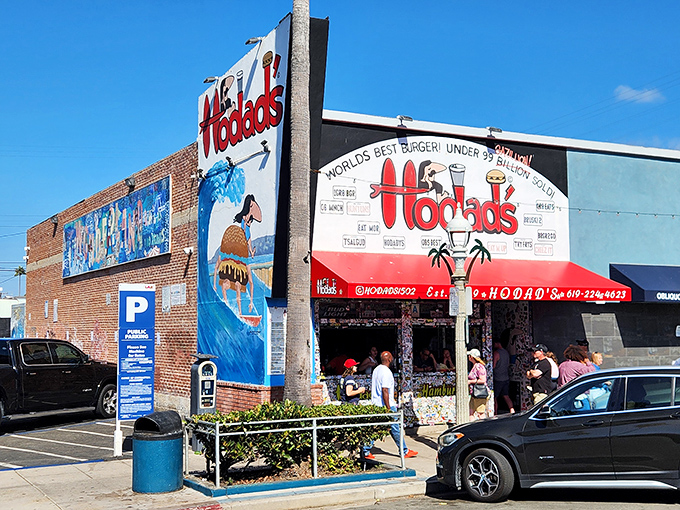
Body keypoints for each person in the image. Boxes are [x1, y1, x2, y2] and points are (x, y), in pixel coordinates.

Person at [367, 351, 417, 459]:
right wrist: (388, 408)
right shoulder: (386, 372)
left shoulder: (377, 369)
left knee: (376, 428)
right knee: (395, 428)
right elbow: (385, 390)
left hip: (376, 404)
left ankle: (366, 451)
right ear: (389, 359)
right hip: (386, 405)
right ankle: (404, 451)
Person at [493, 339, 515, 414]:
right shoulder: (506, 352)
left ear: (497, 343)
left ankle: (495, 412)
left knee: (494, 397)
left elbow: (493, 366)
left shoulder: (496, 353)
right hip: (506, 377)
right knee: (506, 395)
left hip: (497, 378)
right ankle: (512, 410)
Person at [467, 349, 489, 420]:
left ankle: (483, 428)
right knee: (470, 412)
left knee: (480, 414)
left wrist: (470, 382)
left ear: (472, 357)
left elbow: (482, 380)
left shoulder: (479, 366)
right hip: (474, 393)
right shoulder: (475, 366)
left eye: (469, 356)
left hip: (479, 393)